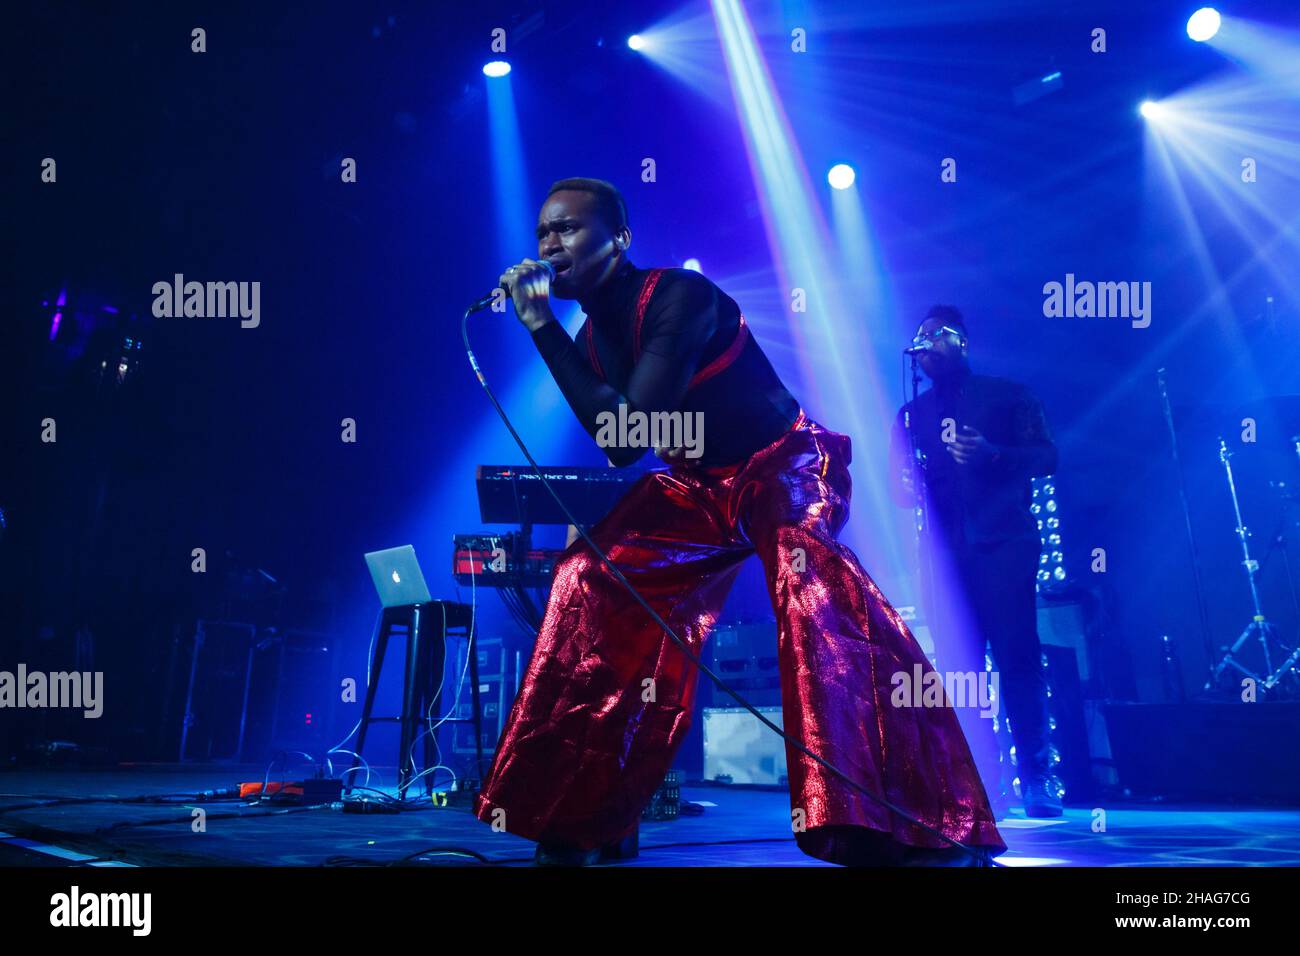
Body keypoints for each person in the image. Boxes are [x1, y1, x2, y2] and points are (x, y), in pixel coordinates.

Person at [472, 177, 1006, 865]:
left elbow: (625, 436)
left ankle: (916, 819)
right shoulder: (591, 337)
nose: (549, 244)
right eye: (543, 232)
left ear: (621, 239)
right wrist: (556, 334)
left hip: (781, 464)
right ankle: (585, 813)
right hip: (697, 486)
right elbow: (625, 441)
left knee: (804, 575)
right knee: (587, 576)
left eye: (568, 229)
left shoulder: (678, 298)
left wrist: (541, 327)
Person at [888, 306, 1063, 817]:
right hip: (945, 556)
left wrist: (992, 454)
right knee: (961, 667)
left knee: (1017, 658)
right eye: (918, 337)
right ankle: (981, 782)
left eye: (934, 335)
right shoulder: (910, 414)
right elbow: (899, 490)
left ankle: (1038, 777)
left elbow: (1048, 458)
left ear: (960, 341)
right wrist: (904, 480)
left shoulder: (1007, 394)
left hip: (1004, 545)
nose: (923, 344)